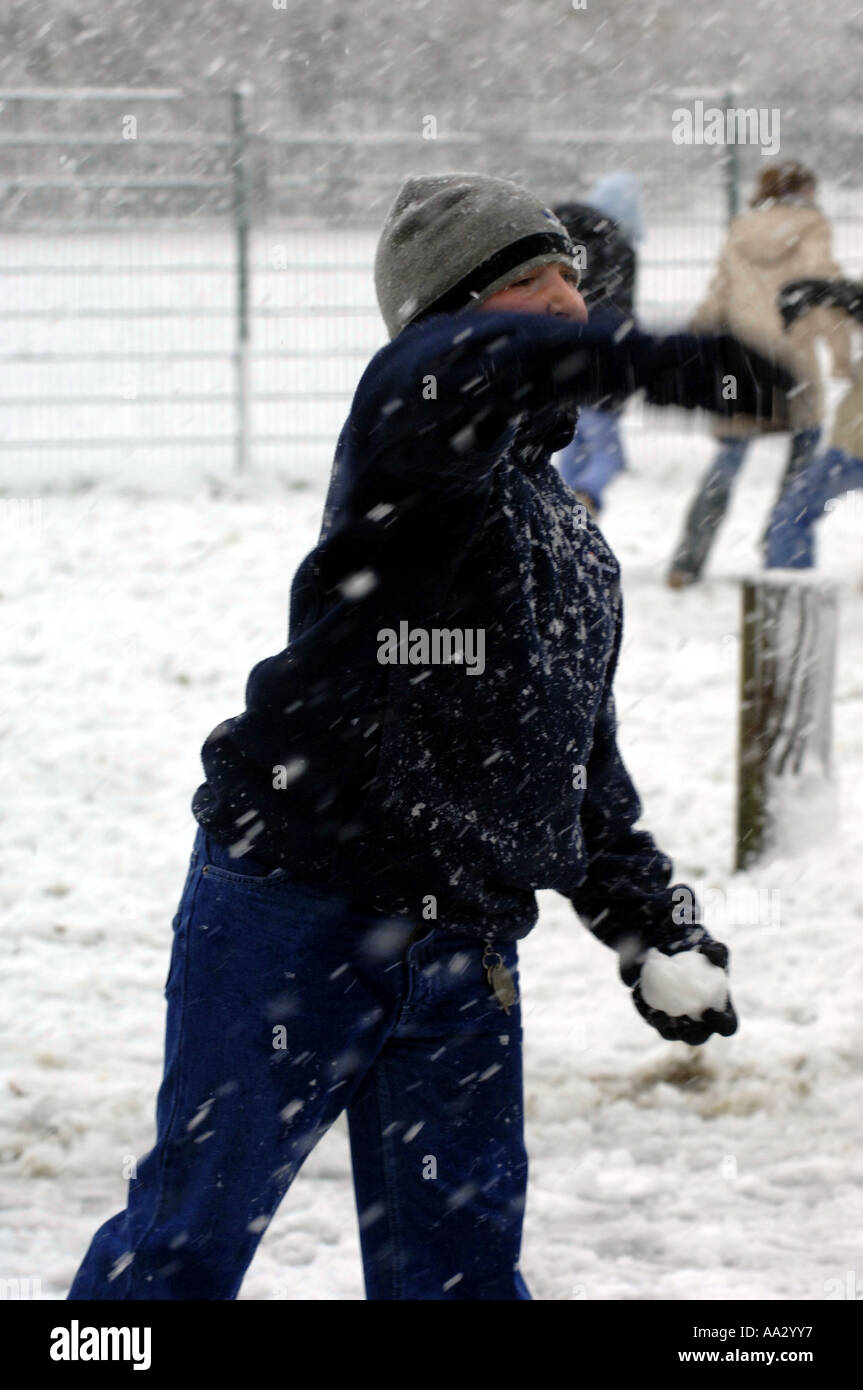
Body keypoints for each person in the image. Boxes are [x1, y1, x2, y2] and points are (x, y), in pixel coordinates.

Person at [66, 172, 790, 1303]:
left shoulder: (566, 536)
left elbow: (573, 763)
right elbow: (453, 366)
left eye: (567, 275)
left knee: (458, 1280)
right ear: (451, 318)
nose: (563, 299)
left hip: (463, 953)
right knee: (179, 1253)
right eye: (523, 281)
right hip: (296, 911)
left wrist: (648, 924)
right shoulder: (409, 438)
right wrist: (655, 358)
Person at [667, 159, 853, 588]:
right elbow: (824, 291)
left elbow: (718, 295)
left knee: (727, 461)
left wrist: (692, 342)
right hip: (793, 362)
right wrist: (842, 357)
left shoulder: (741, 228)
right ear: (804, 189)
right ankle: (782, 549)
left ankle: (687, 561)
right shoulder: (811, 226)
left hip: (742, 361)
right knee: (802, 462)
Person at [552, 172, 644, 515]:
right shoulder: (619, 245)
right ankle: (585, 497)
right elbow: (621, 306)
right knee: (609, 453)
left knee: (571, 438)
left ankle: (563, 510)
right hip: (606, 352)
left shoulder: (566, 240)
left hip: (563, 349)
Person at [765, 277, 863, 568]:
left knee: (790, 516)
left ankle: (789, 599)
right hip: (851, 442)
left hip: (854, 447)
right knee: (791, 514)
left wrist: (822, 292)